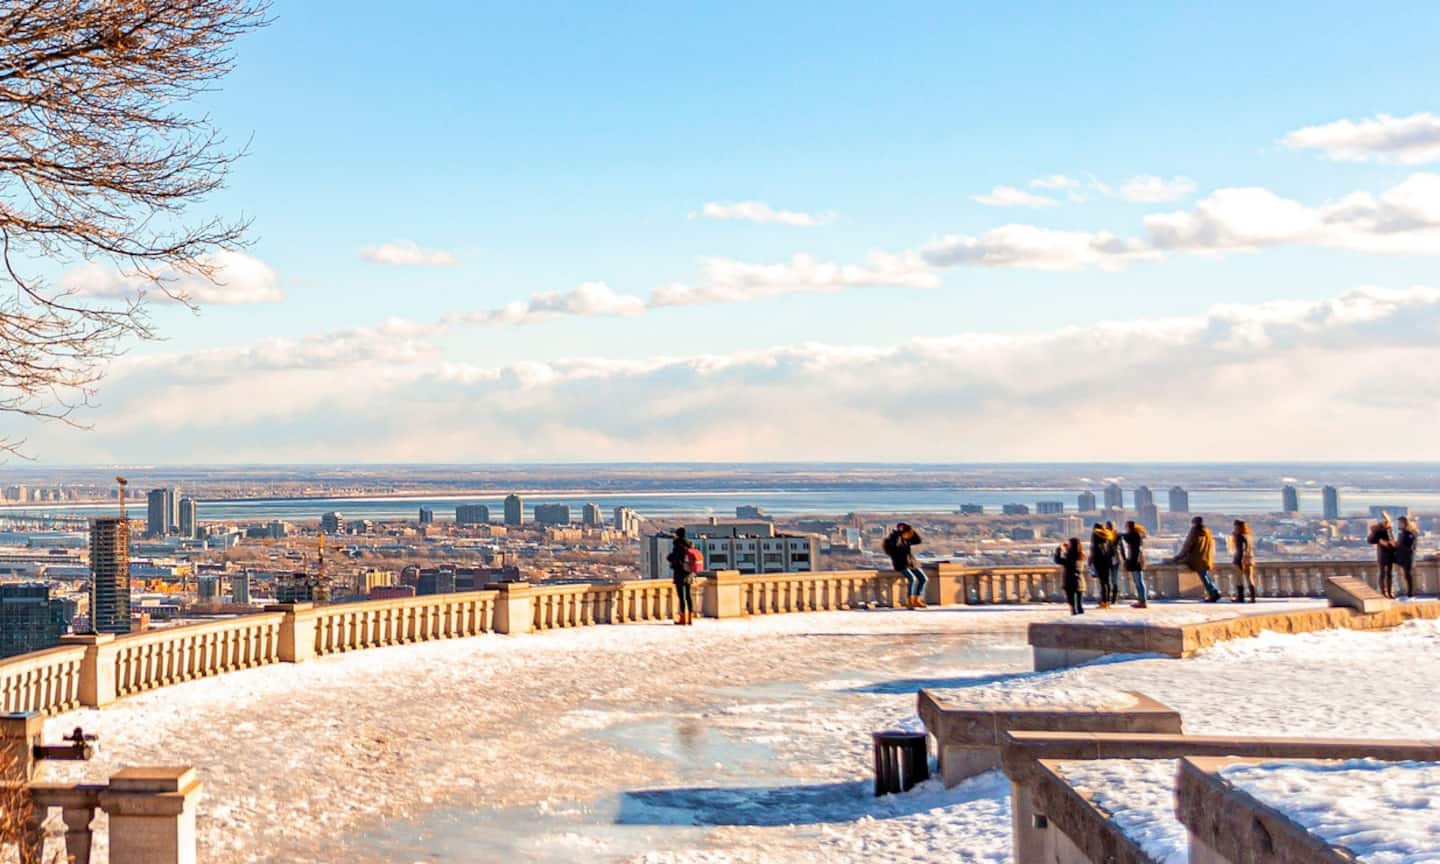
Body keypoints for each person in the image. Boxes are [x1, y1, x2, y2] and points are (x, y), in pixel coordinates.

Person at [1172, 516, 1220, 602]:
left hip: (1197, 558)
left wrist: (1179, 556)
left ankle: (1213, 594)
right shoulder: (1207, 532)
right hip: (1206, 557)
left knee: (1204, 577)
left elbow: (1188, 545)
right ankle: (1215, 592)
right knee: (1206, 576)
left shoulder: (1194, 532)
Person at [883, 522, 927, 608]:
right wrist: (899, 533)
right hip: (900, 563)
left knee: (923, 578)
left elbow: (918, 541)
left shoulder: (907, 539)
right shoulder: (894, 537)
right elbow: (895, 545)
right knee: (912, 579)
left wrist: (911, 530)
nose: (908, 535)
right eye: (907, 533)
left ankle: (917, 599)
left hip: (911, 562)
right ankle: (909, 601)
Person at [665, 527, 698, 625]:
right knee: (688, 596)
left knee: (681, 597)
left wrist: (670, 558)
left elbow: (675, 559)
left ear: (678, 535)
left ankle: (683, 618)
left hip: (680, 573)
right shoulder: (690, 544)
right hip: (689, 573)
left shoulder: (678, 545)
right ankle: (690, 618)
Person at [1120, 520, 1148, 609]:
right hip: (1138, 561)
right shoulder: (1136, 536)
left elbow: (1127, 538)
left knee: (1139, 582)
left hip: (1136, 562)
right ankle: (1141, 600)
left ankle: (1142, 601)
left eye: (1126, 526)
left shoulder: (1134, 536)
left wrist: (1131, 561)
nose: (1125, 528)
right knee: (1139, 582)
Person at [1368, 513, 1396, 599]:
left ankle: (1389, 591)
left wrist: (1392, 544)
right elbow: (1371, 540)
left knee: (1389, 574)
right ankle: (1384, 592)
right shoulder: (1379, 531)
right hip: (1383, 555)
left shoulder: (1389, 530)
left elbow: (1392, 541)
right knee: (1383, 574)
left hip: (1390, 554)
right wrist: (1381, 541)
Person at [1054, 537, 1085, 615]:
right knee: (1079, 605)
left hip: (1070, 581)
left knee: (1072, 605)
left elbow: (1058, 560)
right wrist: (1067, 549)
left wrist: (1059, 550)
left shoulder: (1070, 556)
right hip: (1080, 581)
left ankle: (1075, 619)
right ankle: (1081, 619)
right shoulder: (1081, 555)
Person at [1089, 523, 1117, 609]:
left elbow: (1093, 550)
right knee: (1107, 582)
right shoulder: (1107, 535)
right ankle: (1107, 601)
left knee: (1102, 582)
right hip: (1107, 561)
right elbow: (1111, 549)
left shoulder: (1095, 535)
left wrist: (1090, 561)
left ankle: (1103, 601)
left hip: (1099, 561)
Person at [1232, 520, 1257, 603]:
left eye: (1235, 526)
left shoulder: (1239, 536)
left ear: (1237, 527)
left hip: (1240, 559)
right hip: (1250, 559)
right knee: (1250, 578)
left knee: (1239, 579)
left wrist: (1239, 561)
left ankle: (1240, 597)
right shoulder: (1249, 536)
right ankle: (1253, 598)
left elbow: (1241, 549)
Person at [1395, 516, 1418, 599]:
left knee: (1408, 575)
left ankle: (1410, 592)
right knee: (1406, 575)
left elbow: (1410, 548)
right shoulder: (1402, 534)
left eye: (1400, 523)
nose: (1399, 525)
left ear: (1405, 524)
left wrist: (1398, 545)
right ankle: (1409, 592)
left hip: (1407, 558)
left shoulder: (1410, 534)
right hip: (1402, 557)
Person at [1104, 520, 1124, 606]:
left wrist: (1124, 558)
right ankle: (1109, 598)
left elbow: (1121, 547)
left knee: (1114, 580)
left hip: (1115, 559)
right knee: (1109, 580)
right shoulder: (1105, 536)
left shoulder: (1117, 536)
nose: (1110, 528)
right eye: (1109, 526)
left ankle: (1114, 598)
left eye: (1110, 526)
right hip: (1108, 559)